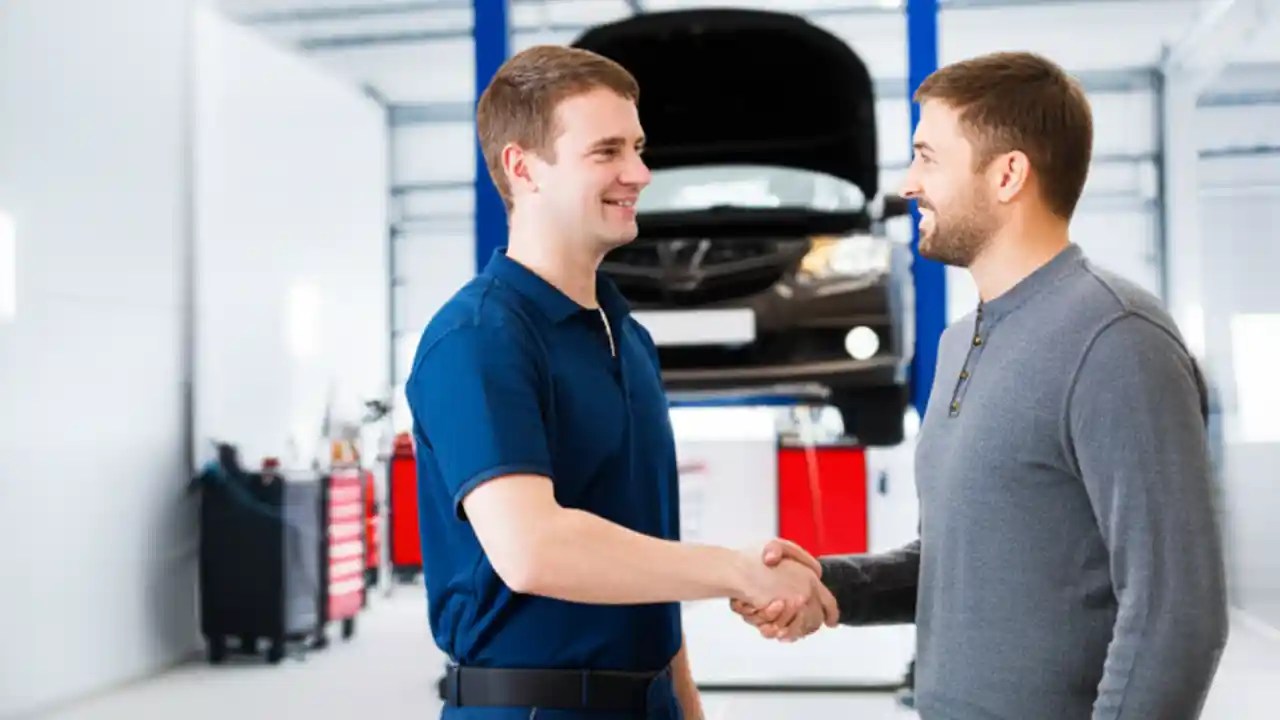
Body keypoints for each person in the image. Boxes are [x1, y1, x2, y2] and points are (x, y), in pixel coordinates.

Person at [732, 50, 1230, 719]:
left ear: (1007, 175)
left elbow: (1178, 612)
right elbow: (959, 562)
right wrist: (829, 586)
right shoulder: (960, 341)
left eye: (928, 158)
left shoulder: (1116, 339)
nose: (908, 184)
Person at [404, 45, 837, 720]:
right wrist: (736, 569)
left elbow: (641, 553)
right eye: (606, 152)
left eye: (637, 148)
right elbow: (533, 549)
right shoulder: (479, 338)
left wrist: (685, 703)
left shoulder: (627, 337)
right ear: (522, 167)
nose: (638, 173)